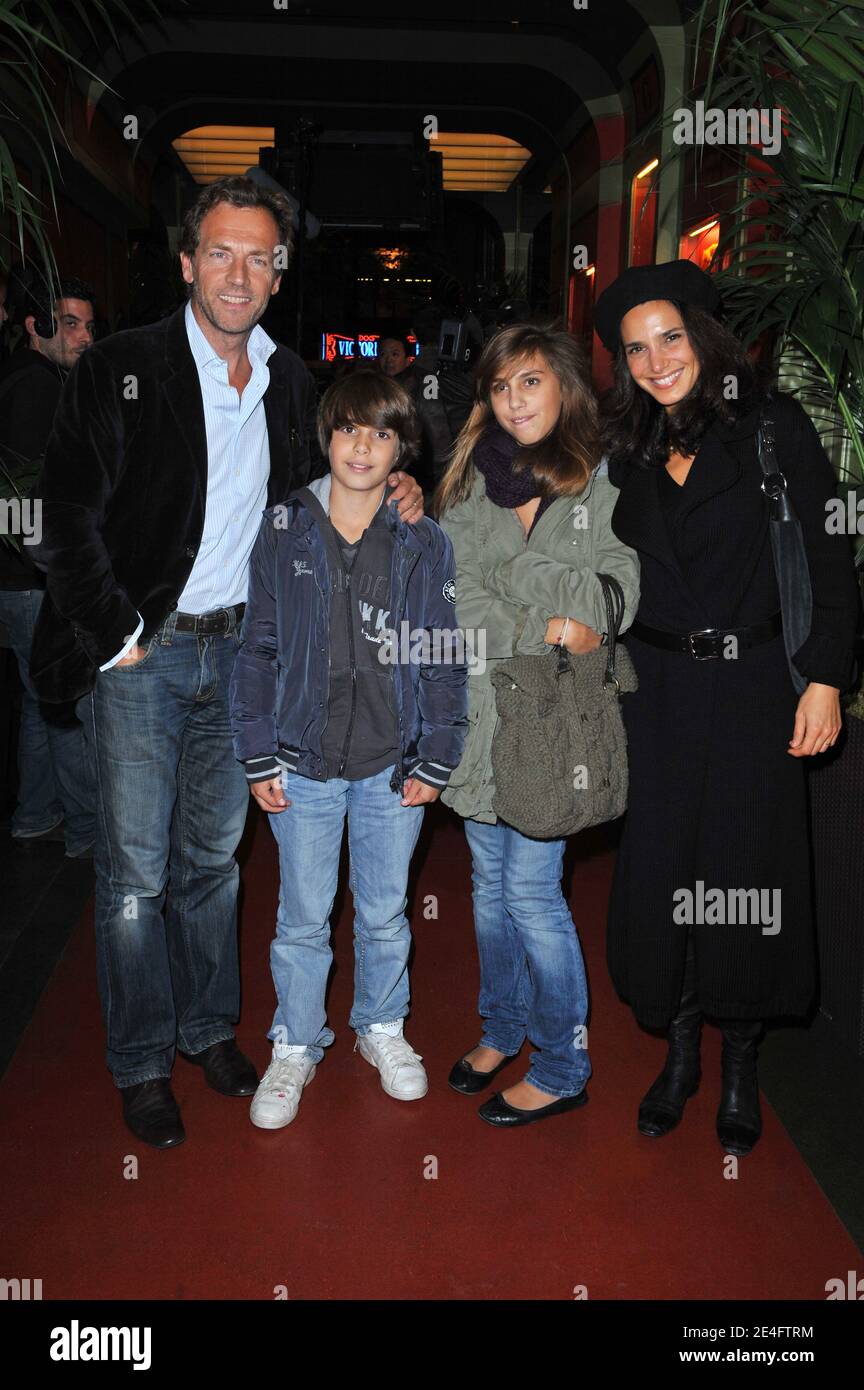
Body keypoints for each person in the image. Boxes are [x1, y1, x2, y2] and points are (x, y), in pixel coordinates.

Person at [29, 176, 424, 1150]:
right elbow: (61, 516)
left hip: (246, 658)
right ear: (186, 263)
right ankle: (140, 1059)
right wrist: (119, 633)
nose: (239, 272)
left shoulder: (294, 384)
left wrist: (401, 484)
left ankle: (208, 1030)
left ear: (279, 274)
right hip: (147, 656)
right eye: (220, 251)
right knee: (135, 876)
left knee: (213, 863)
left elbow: (331, 491)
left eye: (260, 255)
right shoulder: (121, 367)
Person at [596, 259, 861, 1157]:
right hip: (657, 693)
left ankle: (741, 1066)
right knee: (669, 872)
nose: (656, 359)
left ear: (704, 337)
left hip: (752, 691)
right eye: (635, 347)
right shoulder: (623, 447)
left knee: (748, 874)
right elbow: (541, 502)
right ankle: (678, 1058)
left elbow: (832, 559)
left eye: (670, 337)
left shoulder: (770, 427)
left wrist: (824, 675)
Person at [229, 371, 467, 1128]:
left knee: (386, 912)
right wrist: (257, 752)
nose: (362, 446)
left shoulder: (423, 540)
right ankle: (295, 1043)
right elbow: (256, 648)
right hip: (302, 760)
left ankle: (381, 1029)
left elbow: (441, 653)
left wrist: (437, 753)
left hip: (390, 766)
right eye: (348, 429)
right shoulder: (281, 529)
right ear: (325, 435)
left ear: (402, 449)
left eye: (381, 433)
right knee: (301, 914)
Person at [436, 322, 640, 1127]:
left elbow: (617, 599)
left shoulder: (604, 485)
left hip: (557, 727)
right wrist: (547, 618)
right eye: (499, 385)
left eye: (530, 381)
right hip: (481, 716)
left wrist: (516, 573)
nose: (514, 400)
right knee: (489, 891)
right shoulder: (464, 485)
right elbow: (454, 602)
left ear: (565, 387)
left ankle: (562, 1064)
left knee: (532, 895)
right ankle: (501, 1029)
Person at [0, 275, 96, 857]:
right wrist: (50, 563)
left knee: (42, 702)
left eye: (89, 324)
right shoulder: (34, 388)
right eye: (71, 324)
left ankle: (35, 813)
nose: (85, 336)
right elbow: (16, 500)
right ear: (36, 326)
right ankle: (84, 831)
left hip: (22, 581)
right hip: (29, 583)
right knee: (61, 702)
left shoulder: (29, 378)